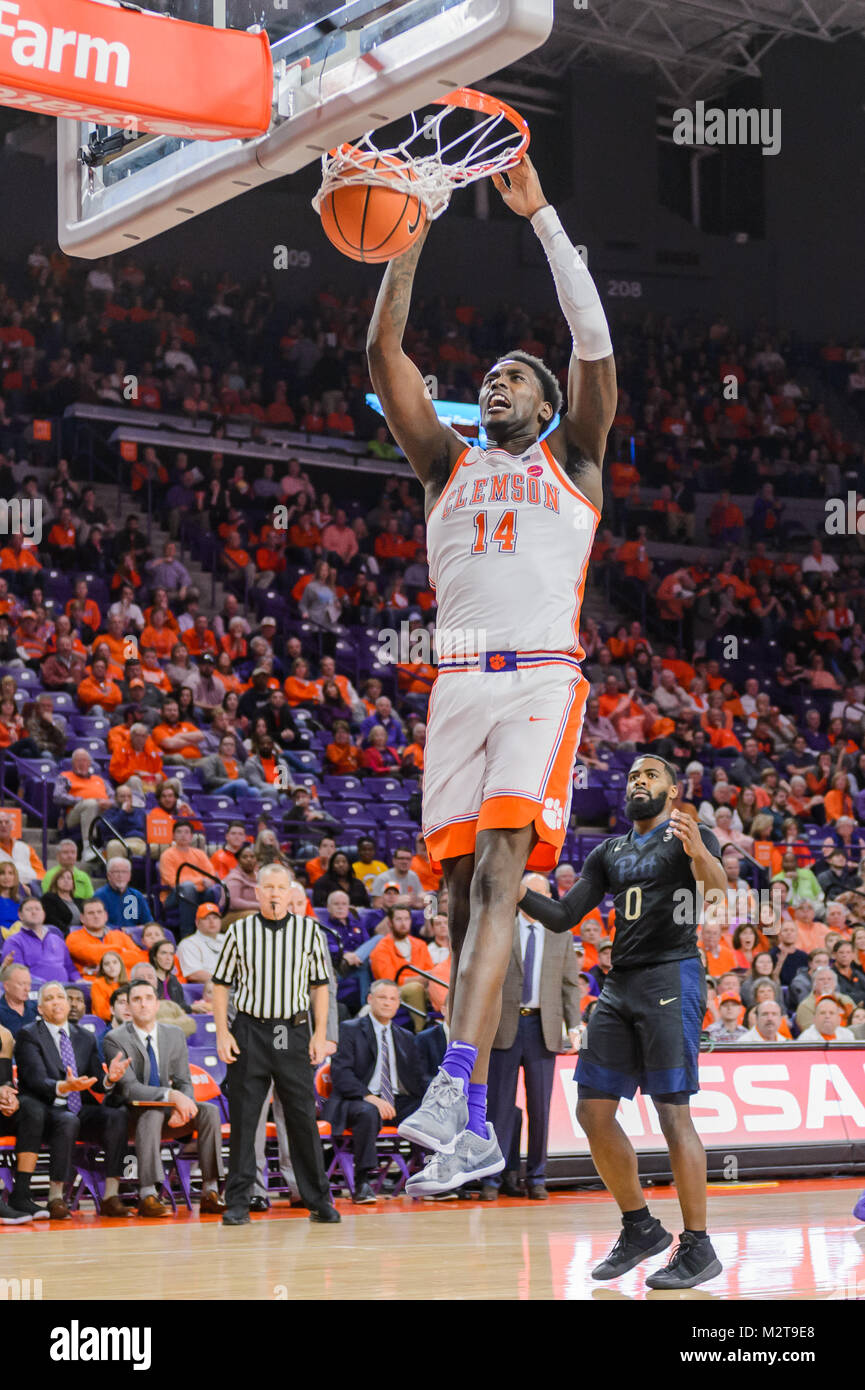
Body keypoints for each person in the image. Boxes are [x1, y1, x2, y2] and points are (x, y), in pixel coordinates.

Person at [368, 153, 616, 1191]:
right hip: (456, 686)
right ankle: (466, 1118)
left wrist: (544, 220)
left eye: (513, 374)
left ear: (549, 402)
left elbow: (595, 343)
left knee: (509, 870)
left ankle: (456, 1077)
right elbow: (384, 349)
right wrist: (410, 227)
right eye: (487, 377)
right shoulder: (445, 464)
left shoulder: (578, 459)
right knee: (467, 900)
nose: (493, 382)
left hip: (538, 680)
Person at [508, 755, 727, 1289]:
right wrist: (518, 891)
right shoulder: (609, 851)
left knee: (673, 1115)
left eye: (650, 776)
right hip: (619, 983)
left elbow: (718, 893)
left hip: (671, 977)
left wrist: (700, 852)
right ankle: (639, 1227)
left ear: (673, 791)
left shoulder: (690, 836)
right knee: (592, 1110)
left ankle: (698, 1246)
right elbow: (562, 917)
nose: (638, 782)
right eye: (632, 776)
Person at [213, 863, 339, 1225]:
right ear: (256, 892)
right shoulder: (239, 931)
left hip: (294, 1031)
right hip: (250, 1029)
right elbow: (221, 984)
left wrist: (319, 1034)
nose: (272, 893)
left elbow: (320, 985)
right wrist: (223, 1032)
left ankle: (318, 1198)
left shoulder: (309, 932)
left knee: (302, 1118)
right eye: (266, 887)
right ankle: (238, 1200)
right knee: (244, 1120)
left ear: (290, 893)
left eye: (279, 888)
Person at [480, 872, 581, 1201]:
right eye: (531, 894)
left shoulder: (560, 932)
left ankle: (536, 1176)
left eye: (544, 895)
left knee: (541, 1109)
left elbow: (569, 984)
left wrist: (575, 1025)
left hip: (543, 1029)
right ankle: (491, 1178)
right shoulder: (500, 925)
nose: (538, 901)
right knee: (498, 1109)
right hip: (504, 1026)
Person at [103, 979, 225, 1218]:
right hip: (132, 1116)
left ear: (157, 1003)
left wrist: (184, 1107)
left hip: (171, 1115)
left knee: (209, 1111)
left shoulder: (174, 1034)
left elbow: (184, 1081)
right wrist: (172, 1096)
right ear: (127, 1006)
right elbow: (129, 1088)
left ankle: (211, 1191)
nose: (143, 1004)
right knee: (152, 1113)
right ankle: (148, 1194)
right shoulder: (115, 1038)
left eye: (148, 998)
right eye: (136, 999)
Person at [15, 980, 132, 1219]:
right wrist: (62, 1086)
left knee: (117, 1116)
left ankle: (111, 1195)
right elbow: (34, 1079)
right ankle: (56, 1197)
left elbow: (96, 1080)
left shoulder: (85, 1038)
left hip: (79, 1109)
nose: (56, 1001)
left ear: (69, 1005)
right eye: (49, 999)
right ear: (40, 1009)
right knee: (67, 1120)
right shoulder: (29, 1035)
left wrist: (110, 1079)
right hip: (45, 1111)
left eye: (60, 997)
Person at [325, 979, 425, 1203]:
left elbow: (417, 1078)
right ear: (370, 1000)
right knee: (368, 1112)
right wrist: (370, 1097)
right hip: (357, 1098)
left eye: (393, 999)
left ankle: (429, 1173)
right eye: (382, 998)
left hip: (395, 1100)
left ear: (399, 1004)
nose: (388, 1003)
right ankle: (363, 1182)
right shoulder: (349, 1029)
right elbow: (341, 1074)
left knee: (429, 1112)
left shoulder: (406, 1036)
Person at [0, 1020, 45, 1222]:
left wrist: (8, 1096)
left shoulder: (4, 1035)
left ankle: (21, 1194)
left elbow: (5, 1079)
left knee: (32, 1109)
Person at [369, 905, 434, 1032]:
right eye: (398, 919)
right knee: (414, 988)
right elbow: (389, 981)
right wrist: (419, 978)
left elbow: (430, 972)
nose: (403, 923)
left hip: (423, 986)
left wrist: (424, 979)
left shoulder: (420, 944)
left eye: (406, 919)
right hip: (393, 991)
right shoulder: (381, 949)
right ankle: (420, 1031)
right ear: (390, 923)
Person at [158, 820, 221, 938]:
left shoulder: (200, 854)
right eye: (179, 832)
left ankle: (211, 933)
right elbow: (173, 882)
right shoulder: (167, 855)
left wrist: (202, 883)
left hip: (199, 893)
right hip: (173, 896)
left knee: (214, 890)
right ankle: (187, 935)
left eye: (186, 832)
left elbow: (211, 876)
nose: (183, 835)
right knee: (187, 888)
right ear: (173, 836)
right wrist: (201, 881)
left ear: (192, 836)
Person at [3, 898, 75, 979]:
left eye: (37, 909)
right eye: (29, 909)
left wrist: (79, 980)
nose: (34, 912)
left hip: (64, 989)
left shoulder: (57, 940)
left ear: (44, 914)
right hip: (35, 989)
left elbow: (71, 969)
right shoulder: (14, 942)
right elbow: (17, 974)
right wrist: (47, 986)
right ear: (20, 915)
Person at [94, 856, 152, 929]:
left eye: (124, 872)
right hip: (110, 937)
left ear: (129, 876)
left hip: (134, 937)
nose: (120, 876)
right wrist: (122, 931)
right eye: (116, 872)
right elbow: (98, 925)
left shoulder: (136, 895)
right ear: (109, 875)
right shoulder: (99, 896)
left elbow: (148, 923)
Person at [176, 904, 227, 983]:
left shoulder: (228, 939)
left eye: (215, 918)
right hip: (208, 988)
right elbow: (194, 974)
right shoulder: (188, 944)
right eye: (206, 918)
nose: (212, 922)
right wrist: (226, 981)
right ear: (197, 922)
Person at [0, 961, 37, 1036]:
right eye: (21, 984)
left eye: (29, 984)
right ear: (6, 986)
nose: (27, 989)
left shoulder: (37, 1008)